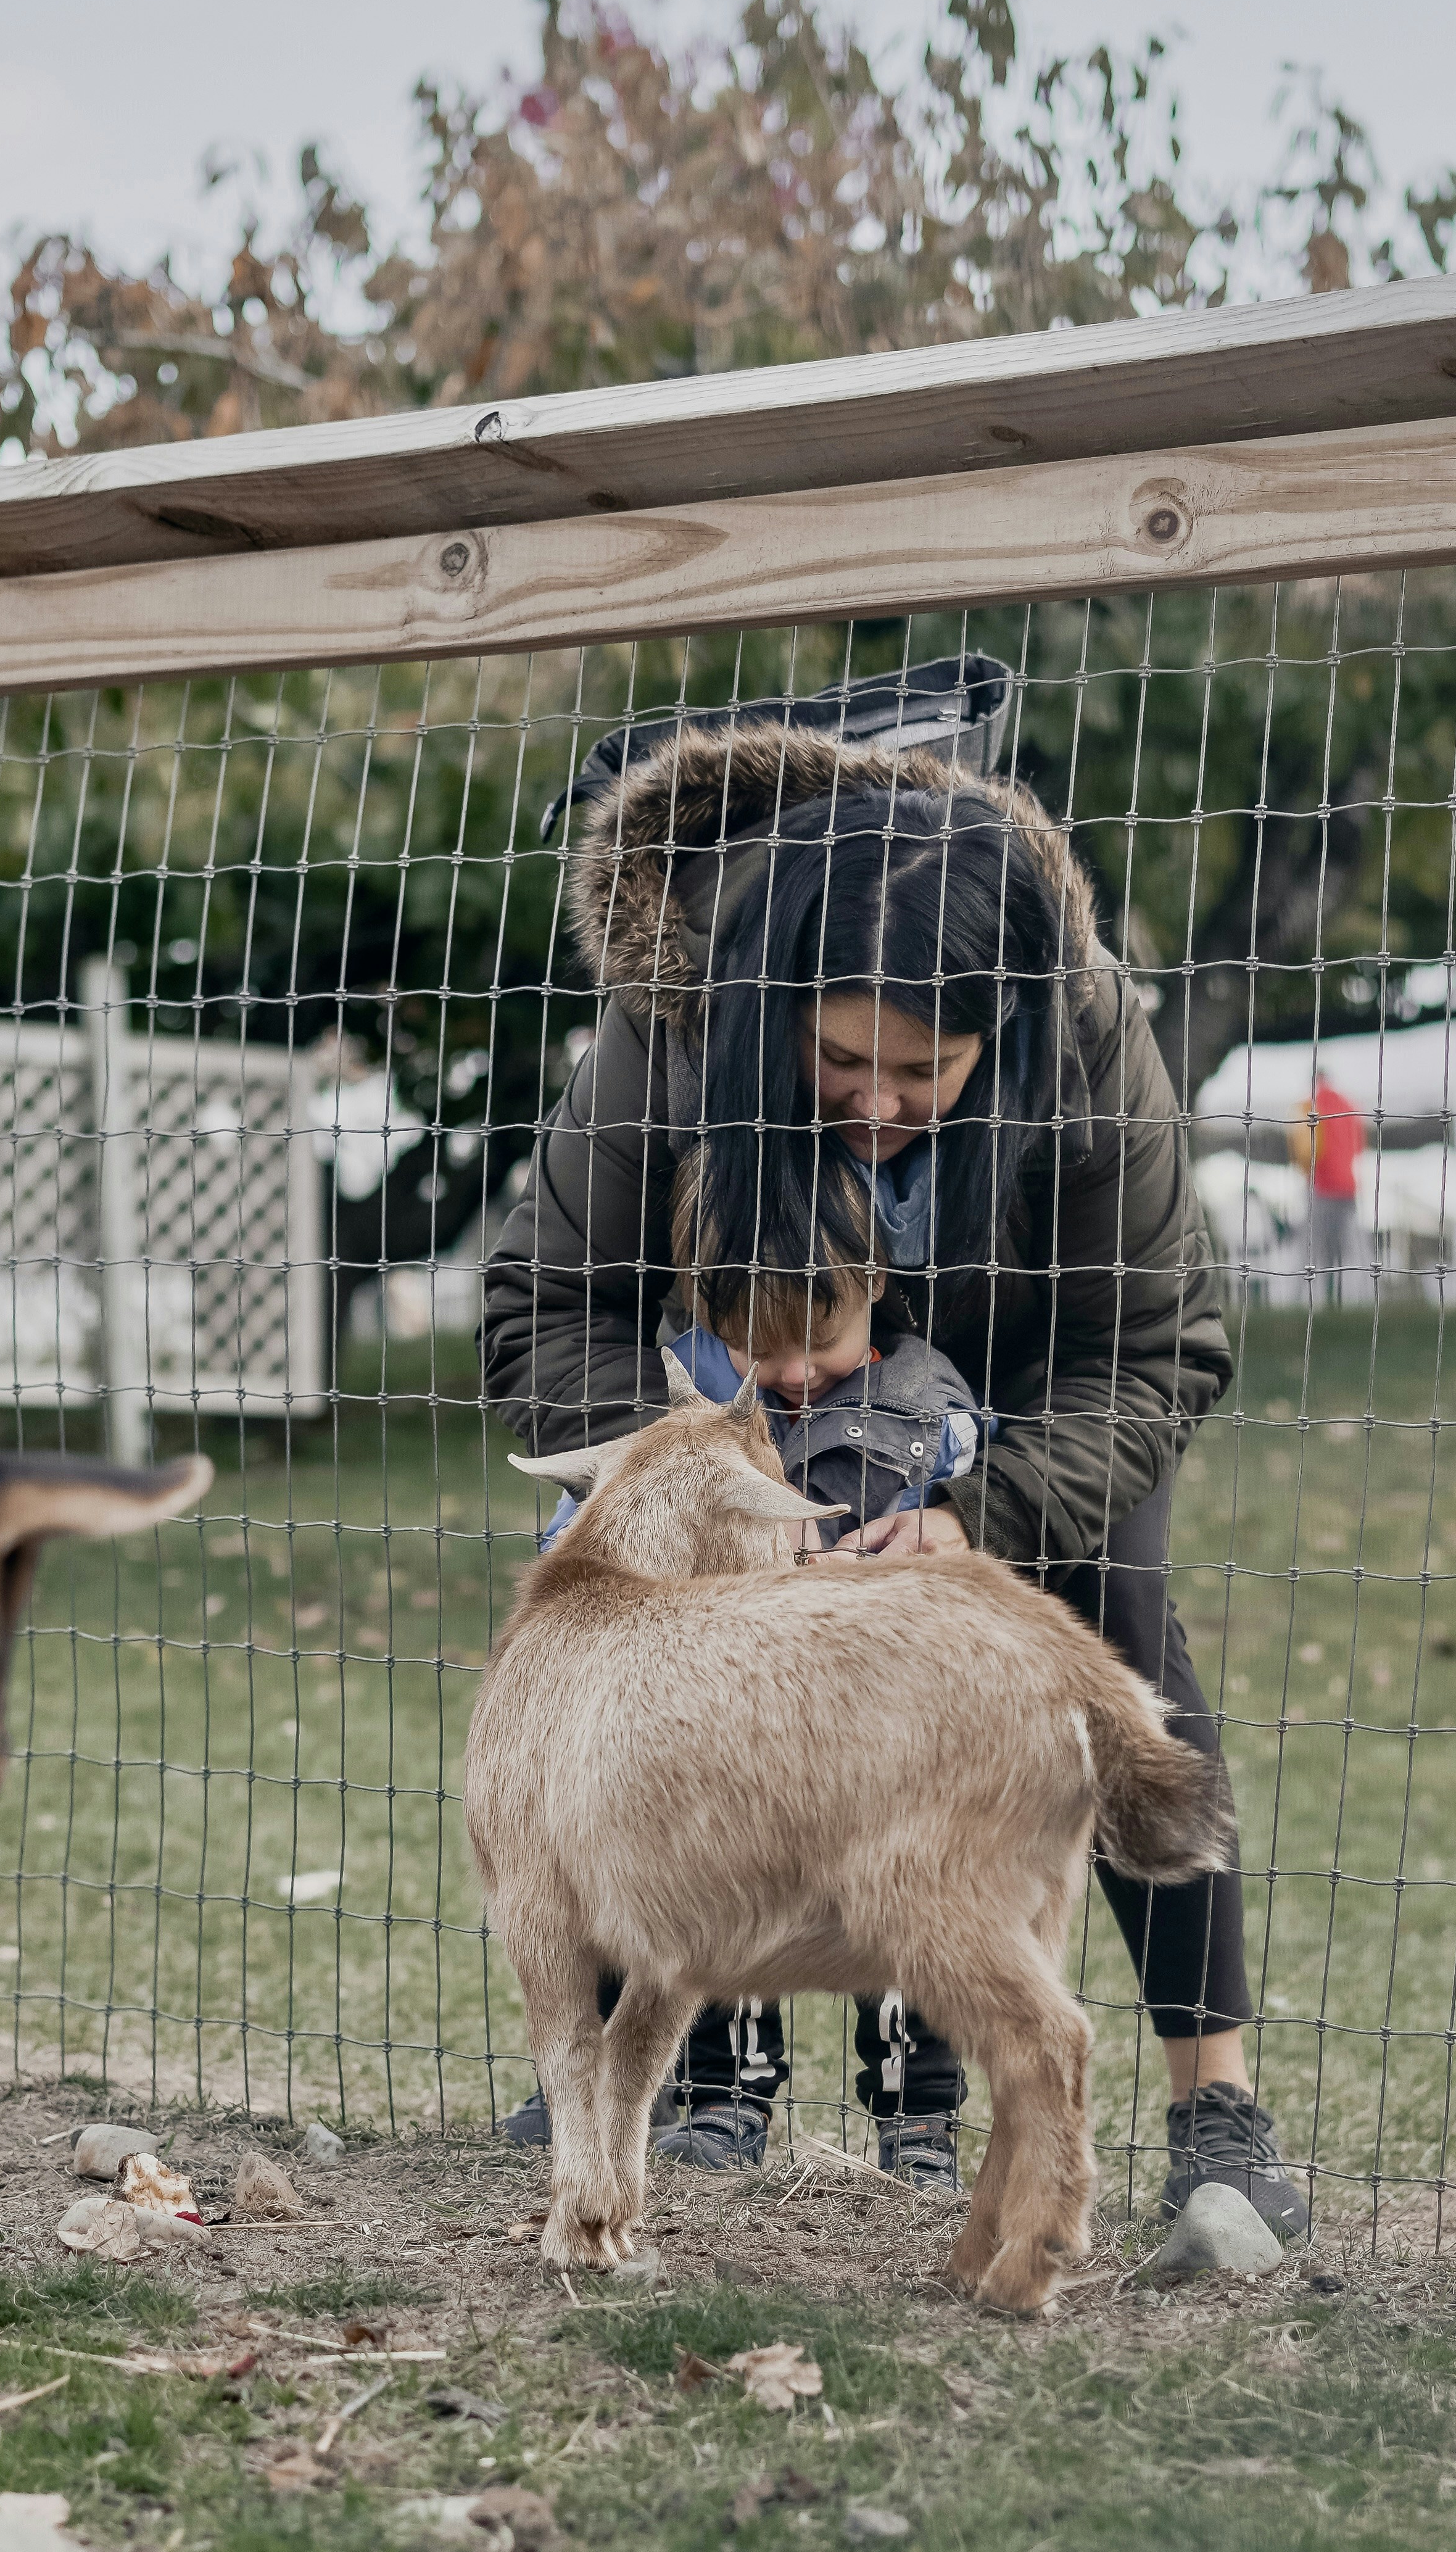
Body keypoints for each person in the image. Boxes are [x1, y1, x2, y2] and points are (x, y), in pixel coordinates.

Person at [480, 689, 1309, 2237]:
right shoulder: (671, 1025)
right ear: (769, 1002)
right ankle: (619, 2058)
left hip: (1008, 1413)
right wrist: (688, 1473)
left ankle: (1218, 2109)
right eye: (840, 1059)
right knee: (610, 1629)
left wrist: (973, 1509)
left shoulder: (1085, 1044)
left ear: (998, 1040)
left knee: (1115, 1611)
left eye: (922, 1073)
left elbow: (1164, 1348)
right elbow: (543, 1305)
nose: (873, 1102)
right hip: (742, 1382)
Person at [520, 1207, 988, 2177]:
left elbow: (960, 1526)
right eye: (753, 1347)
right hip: (728, 1719)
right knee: (723, 1895)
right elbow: (597, 1518)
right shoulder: (682, 1403)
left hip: (872, 1720)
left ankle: (916, 2121)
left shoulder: (928, 1410)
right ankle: (725, 2101)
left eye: (815, 1340)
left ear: (876, 1291)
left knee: (897, 1908)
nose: (787, 1373)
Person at [1289, 1067, 1367, 1303]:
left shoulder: (1311, 1107)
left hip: (1322, 1186)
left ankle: (1305, 1301)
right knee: (1344, 1250)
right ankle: (1347, 1300)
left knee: (1313, 1250)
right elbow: (1359, 1147)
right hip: (1348, 1187)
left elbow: (1307, 1150)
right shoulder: (1349, 1106)